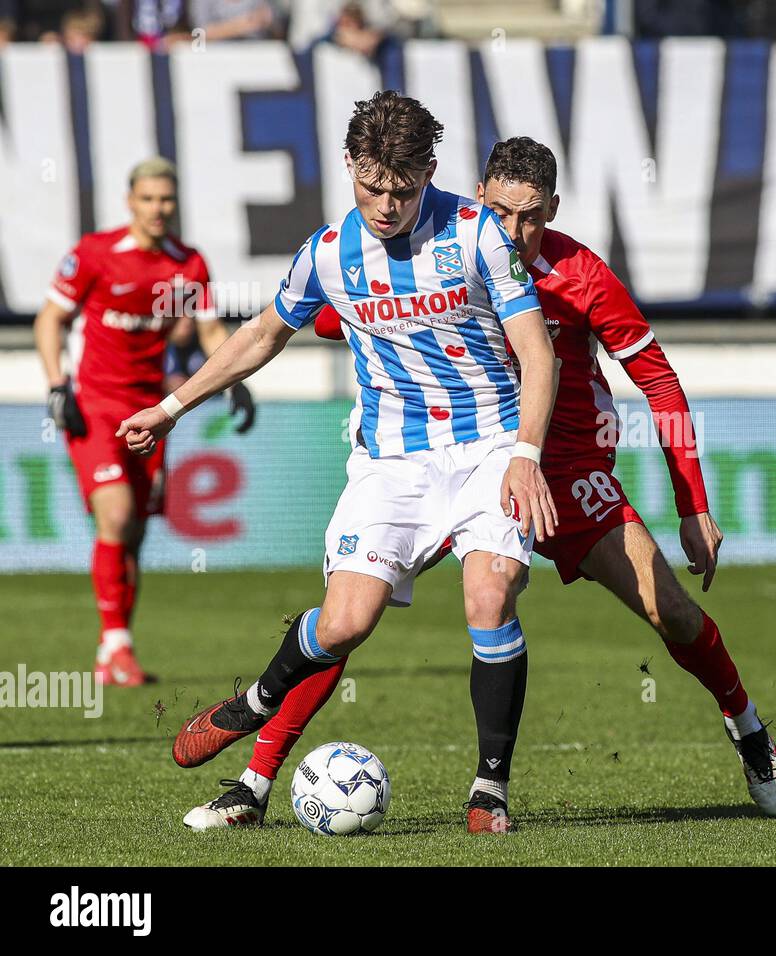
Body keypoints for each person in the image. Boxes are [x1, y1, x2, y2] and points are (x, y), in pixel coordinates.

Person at [180, 136, 776, 834]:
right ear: (478, 196)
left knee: (673, 613)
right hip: (457, 462)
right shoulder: (452, 254)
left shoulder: (582, 274)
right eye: (500, 211)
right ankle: (253, 786)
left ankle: (747, 730)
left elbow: (657, 379)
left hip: (564, 471)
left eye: (531, 217)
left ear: (553, 210)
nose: (515, 231)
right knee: (347, 617)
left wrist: (694, 506)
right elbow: (327, 315)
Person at [119, 91, 559, 835]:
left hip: (488, 446)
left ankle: (489, 792)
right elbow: (261, 335)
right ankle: (255, 703)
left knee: (490, 596)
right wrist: (171, 408)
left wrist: (525, 455)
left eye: (402, 188)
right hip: (392, 460)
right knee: (345, 623)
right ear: (350, 166)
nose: (384, 205)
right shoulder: (326, 253)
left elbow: (536, 353)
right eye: (370, 185)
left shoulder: (479, 233)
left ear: (430, 173)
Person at [34, 157, 249, 686]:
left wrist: (236, 379)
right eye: (148, 199)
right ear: (130, 201)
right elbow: (50, 318)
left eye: (166, 199)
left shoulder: (189, 264)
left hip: (151, 412)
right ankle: (117, 646)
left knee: (131, 535)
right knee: (116, 516)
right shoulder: (94, 254)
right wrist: (57, 383)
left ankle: (113, 652)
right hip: (95, 406)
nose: (158, 209)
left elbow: (208, 330)